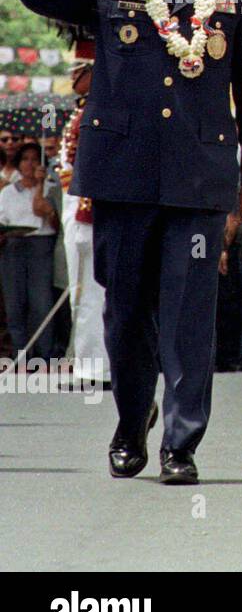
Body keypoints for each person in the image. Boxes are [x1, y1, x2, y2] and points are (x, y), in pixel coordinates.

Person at [18, 0, 242, 484]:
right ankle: (133, 422)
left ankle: (181, 444)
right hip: (123, 172)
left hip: (198, 174)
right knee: (125, 310)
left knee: (190, 310)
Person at [58, 48, 110, 384]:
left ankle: (96, 365)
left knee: (92, 291)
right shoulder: (82, 109)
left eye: (78, 68)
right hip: (73, 205)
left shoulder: (98, 109)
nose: (72, 75)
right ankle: (84, 359)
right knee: (79, 291)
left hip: (86, 208)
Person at [0, 140, 59, 362]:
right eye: (25, 159)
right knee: (15, 303)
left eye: (35, 159)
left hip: (40, 246)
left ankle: (44, 355)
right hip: (14, 246)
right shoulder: (7, 192)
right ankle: (20, 355)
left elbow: (53, 224)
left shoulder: (51, 188)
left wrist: (41, 187)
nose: (30, 164)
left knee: (41, 302)